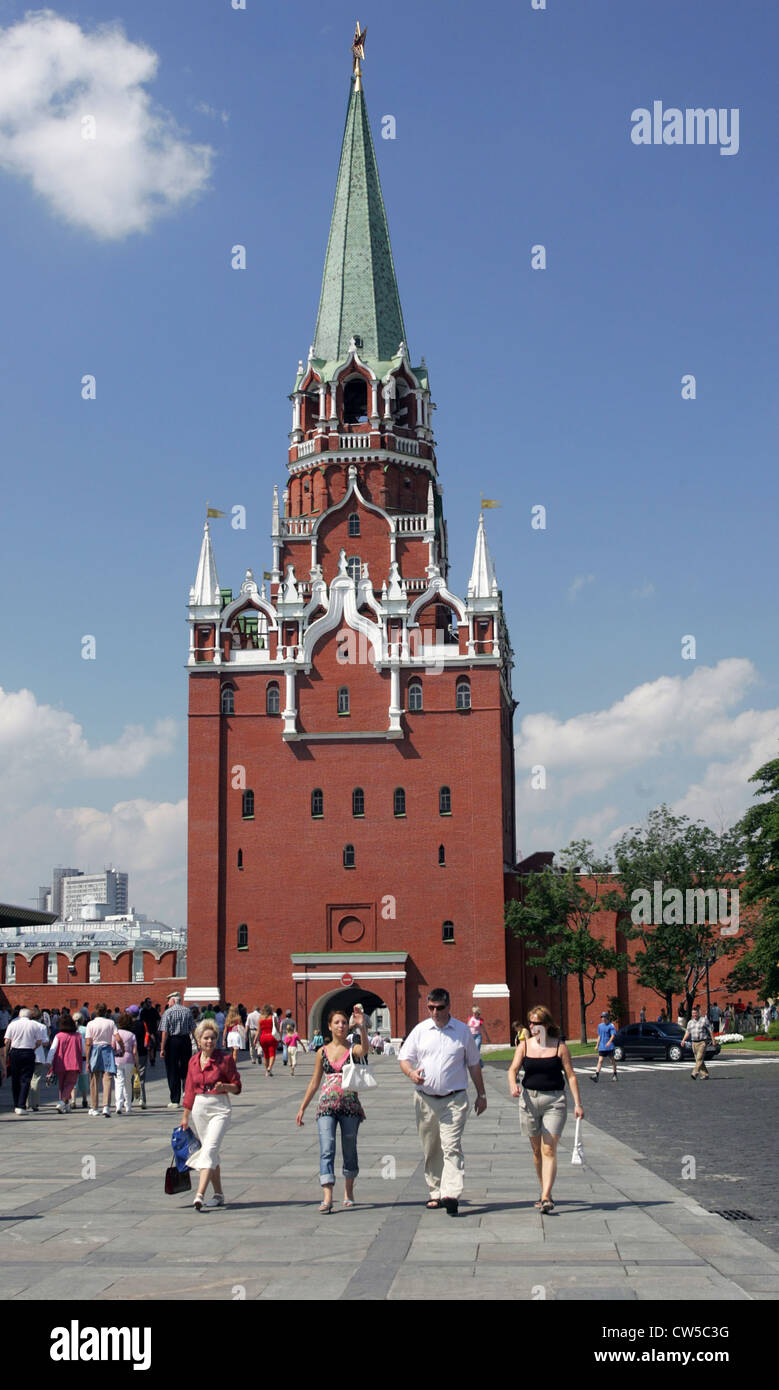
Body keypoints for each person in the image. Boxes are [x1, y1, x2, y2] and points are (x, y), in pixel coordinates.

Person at [398, 987, 487, 1217]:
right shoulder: (420, 1030)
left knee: (451, 1146)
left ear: (449, 1006)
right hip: (425, 1099)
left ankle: (451, 1193)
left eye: (440, 1008)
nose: (435, 1012)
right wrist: (411, 1074)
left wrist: (482, 1094)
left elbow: (474, 1064)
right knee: (431, 1148)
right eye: (431, 1008)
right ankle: (435, 1191)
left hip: (454, 1099)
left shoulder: (462, 1031)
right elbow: (404, 1058)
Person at [508, 1005, 584, 1214]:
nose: (532, 1026)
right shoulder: (524, 1046)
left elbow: (571, 1076)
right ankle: (545, 1191)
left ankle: (545, 1196)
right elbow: (513, 1069)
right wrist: (513, 1084)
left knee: (548, 1149)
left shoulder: (559, 1047)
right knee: (536, 1151)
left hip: (554, 1101)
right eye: (530, 1022)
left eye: (537, 1023)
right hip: (529, 1100)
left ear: (547, 1025)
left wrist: (578, 1104)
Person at [295, 1006, 369, 1212]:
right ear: (329, 1026)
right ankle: (327, 1196)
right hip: (326, 1106)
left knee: (349, 1148)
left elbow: (365, 1050)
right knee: (327, 1148)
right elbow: (314, 1082)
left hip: (349, 1106)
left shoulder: (352, 1049)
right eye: (337, 1022)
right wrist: (302, 1108)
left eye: (344, 1022)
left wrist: (362, 1028)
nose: (341, 1026)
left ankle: (349, 1191)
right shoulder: (321, 1052)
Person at [181, 1019, 242, 1211]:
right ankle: (219, 1194)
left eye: (213, 1038)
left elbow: (238, 1087)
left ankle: (199, 1194)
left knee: (209, 1149)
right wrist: (185, 1116)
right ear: (198, 1040)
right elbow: (189, 1089)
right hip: (200, 1107)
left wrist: (225, 1086)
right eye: (206, 1038)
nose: (210, 1041)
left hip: (220, 1107)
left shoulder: (224, 1060)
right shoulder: (193, 1061)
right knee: (211, 1151)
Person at [3, 1007, 48, 1115]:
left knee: (15, 1079)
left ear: (19, 1015)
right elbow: (39, 1041)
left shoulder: (13, 1024)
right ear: (29, 1016)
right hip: (28, 1052)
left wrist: (5, 1056)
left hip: (15, 1052)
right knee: (26, 1079)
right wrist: (33, 1048)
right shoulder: (34, 1025)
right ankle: (21, 1105)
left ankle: (16, 1103)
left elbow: (6, 1041)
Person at [85, 1004, 124, 1116]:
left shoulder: (90, 1024)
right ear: (105, 1012)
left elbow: (88, 1043)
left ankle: (94, 1107)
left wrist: (87, 1061)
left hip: (95, 1049)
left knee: (94, 1078)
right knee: (107, 1078)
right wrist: (123, 1048)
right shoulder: (110, 1023)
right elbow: (118, 1038)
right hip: (107, 1049)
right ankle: (106, 1106)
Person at [159, 992, 195, 1107]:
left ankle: (175, 1099)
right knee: (186, 1067)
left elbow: (165, 1032)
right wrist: (198, 1042)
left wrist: (162, 1048)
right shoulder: (187, 1011)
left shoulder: (167, 1012)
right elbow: (193, 1028)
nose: (167, 1003)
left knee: (172, 1070)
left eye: (168, 1000)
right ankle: (186, 1091)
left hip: (172, 1041)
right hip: (185, 1040)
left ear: (173, 1001)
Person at [46, 1013, 84, 1112]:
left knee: (62, 1085)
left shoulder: (58, 1036)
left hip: (60, 1063)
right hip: (73, 1063)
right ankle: (62, 1102)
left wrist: (48, 1061)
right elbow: (84, 1050)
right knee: (70, 1084)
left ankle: (65, 1105)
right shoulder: (78, 1036)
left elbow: (52, 1049)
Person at [26, 1005, 50, 1111]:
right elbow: (45, 1043)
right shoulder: (42, 1026)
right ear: (39, 1017)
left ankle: (25, 1103)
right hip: (38, 1055)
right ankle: (35, 1103)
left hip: (25, 1054)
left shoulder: (25, 1025)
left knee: (25, 1079)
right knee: (35, 1080)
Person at [113, 1012, 138, 1114]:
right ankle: (128, 1106)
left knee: (119, 1082)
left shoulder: (116, 1033)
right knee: (128, 1083)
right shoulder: (132, 1035)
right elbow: (135, 1051)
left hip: (117, 1059)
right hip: (129, 1060)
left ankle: (118, 1105)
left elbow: (112, 1046)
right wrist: (137, 1064)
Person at [682, 1004, 713, 1080]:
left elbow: (710, 1029)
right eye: (693, 1013)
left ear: (698, 1013)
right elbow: (687, 1032)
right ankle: (705, 1074)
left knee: (699, 1058)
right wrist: (683, 1040)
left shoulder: (703, 1020)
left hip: (702, 1042)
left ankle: (694, 1072)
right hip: (694, 1043)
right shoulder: (690, 1022)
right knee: (699, 1059)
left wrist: (713, 1040)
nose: (694, 1015)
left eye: (696, 1013)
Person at [126, 1004, 149, 1108]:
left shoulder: (129, 1025)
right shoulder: (143, 1024)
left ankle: (129, 1099)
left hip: (131, 1052)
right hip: (142, 1052)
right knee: (141, 1077)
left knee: (130, 1077)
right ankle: (142, 1099)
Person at [591, 1010, 618, 1082]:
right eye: (602, 1017)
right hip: (602, 1047)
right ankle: (596, 1075)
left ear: (607, 1017)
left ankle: (615, 1075)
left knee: (612, 1061)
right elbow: (599, 1036)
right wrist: (597, 1045)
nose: (603, 1018)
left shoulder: (611, 1025)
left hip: (609, 1047)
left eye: (604, 1017)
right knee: (600, 1060)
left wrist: (609, 1042)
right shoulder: (600, 1026)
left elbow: (613, 1035)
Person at [258, 1006, 277, 1076]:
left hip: (263, 1038)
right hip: (271, 1037)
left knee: (266, 1054)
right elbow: (277, 1028)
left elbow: (258, 1030)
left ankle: (267, 1071)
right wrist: (280, 1037)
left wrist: (255, 1039)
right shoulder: (272, 1017)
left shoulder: (260, 1018)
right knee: (272, 1054)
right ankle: (269, 1067)